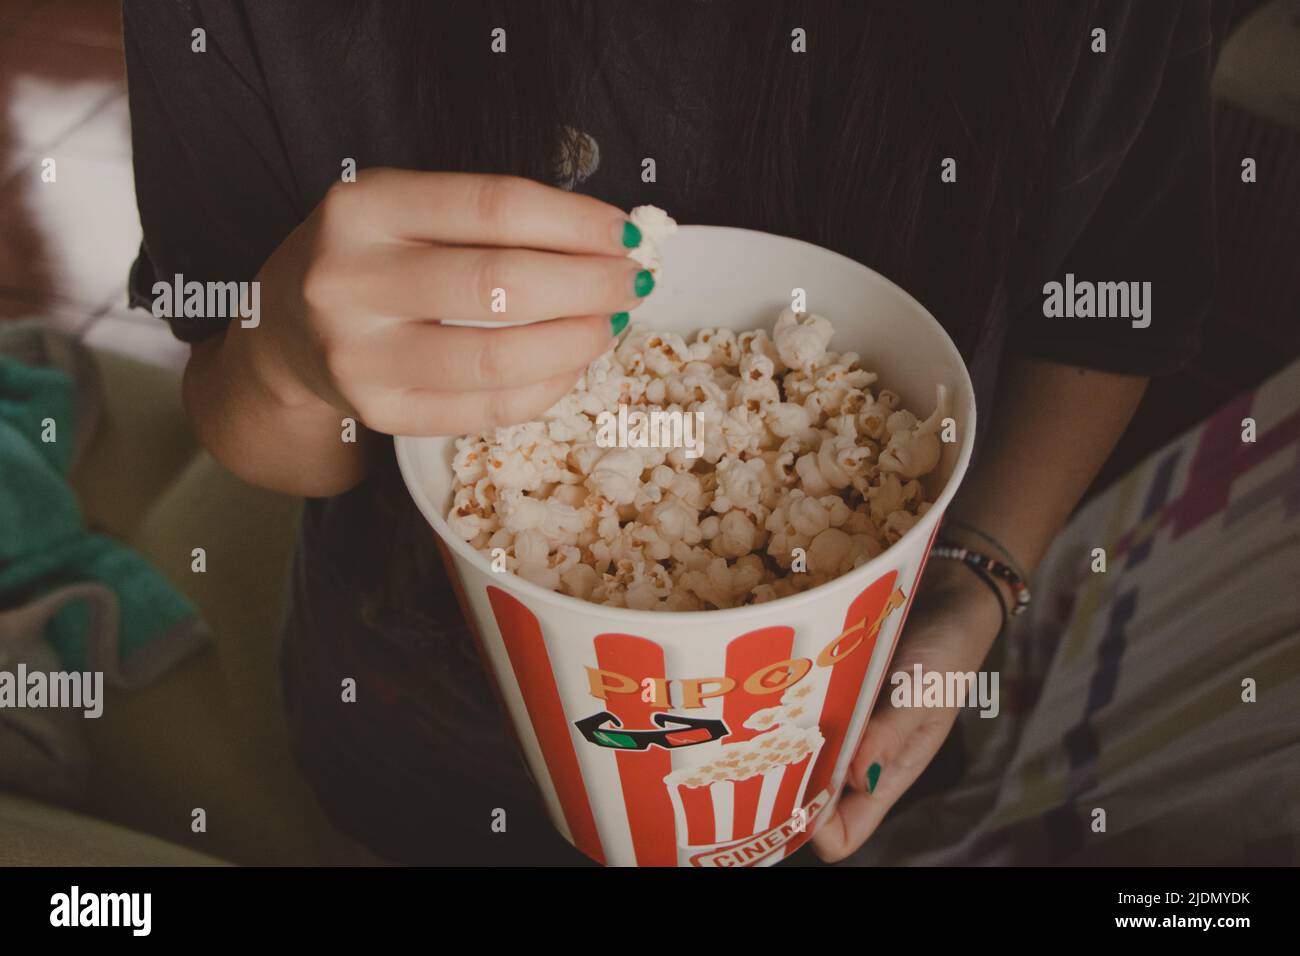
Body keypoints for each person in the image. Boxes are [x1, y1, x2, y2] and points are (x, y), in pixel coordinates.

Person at [121, 0, 1217, 865]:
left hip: (840, 727)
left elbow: (1110, 305)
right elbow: (262, 424)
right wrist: (282, 358)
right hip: (418, 731)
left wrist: (976, 581)